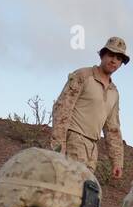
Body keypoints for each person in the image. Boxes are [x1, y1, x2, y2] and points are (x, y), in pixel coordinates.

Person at [49, 36, 127, 180]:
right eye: (111, 55)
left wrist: (117, 162)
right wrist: (58, 147)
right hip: (73, 140)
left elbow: (112, 129)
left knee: (83, 195)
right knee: (68, 189)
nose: (114, 60)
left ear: (121, 63)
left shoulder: (114, 92)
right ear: (102, 55)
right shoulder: (83, 76)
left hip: (92, 150)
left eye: (119, 58)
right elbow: (62, 109)